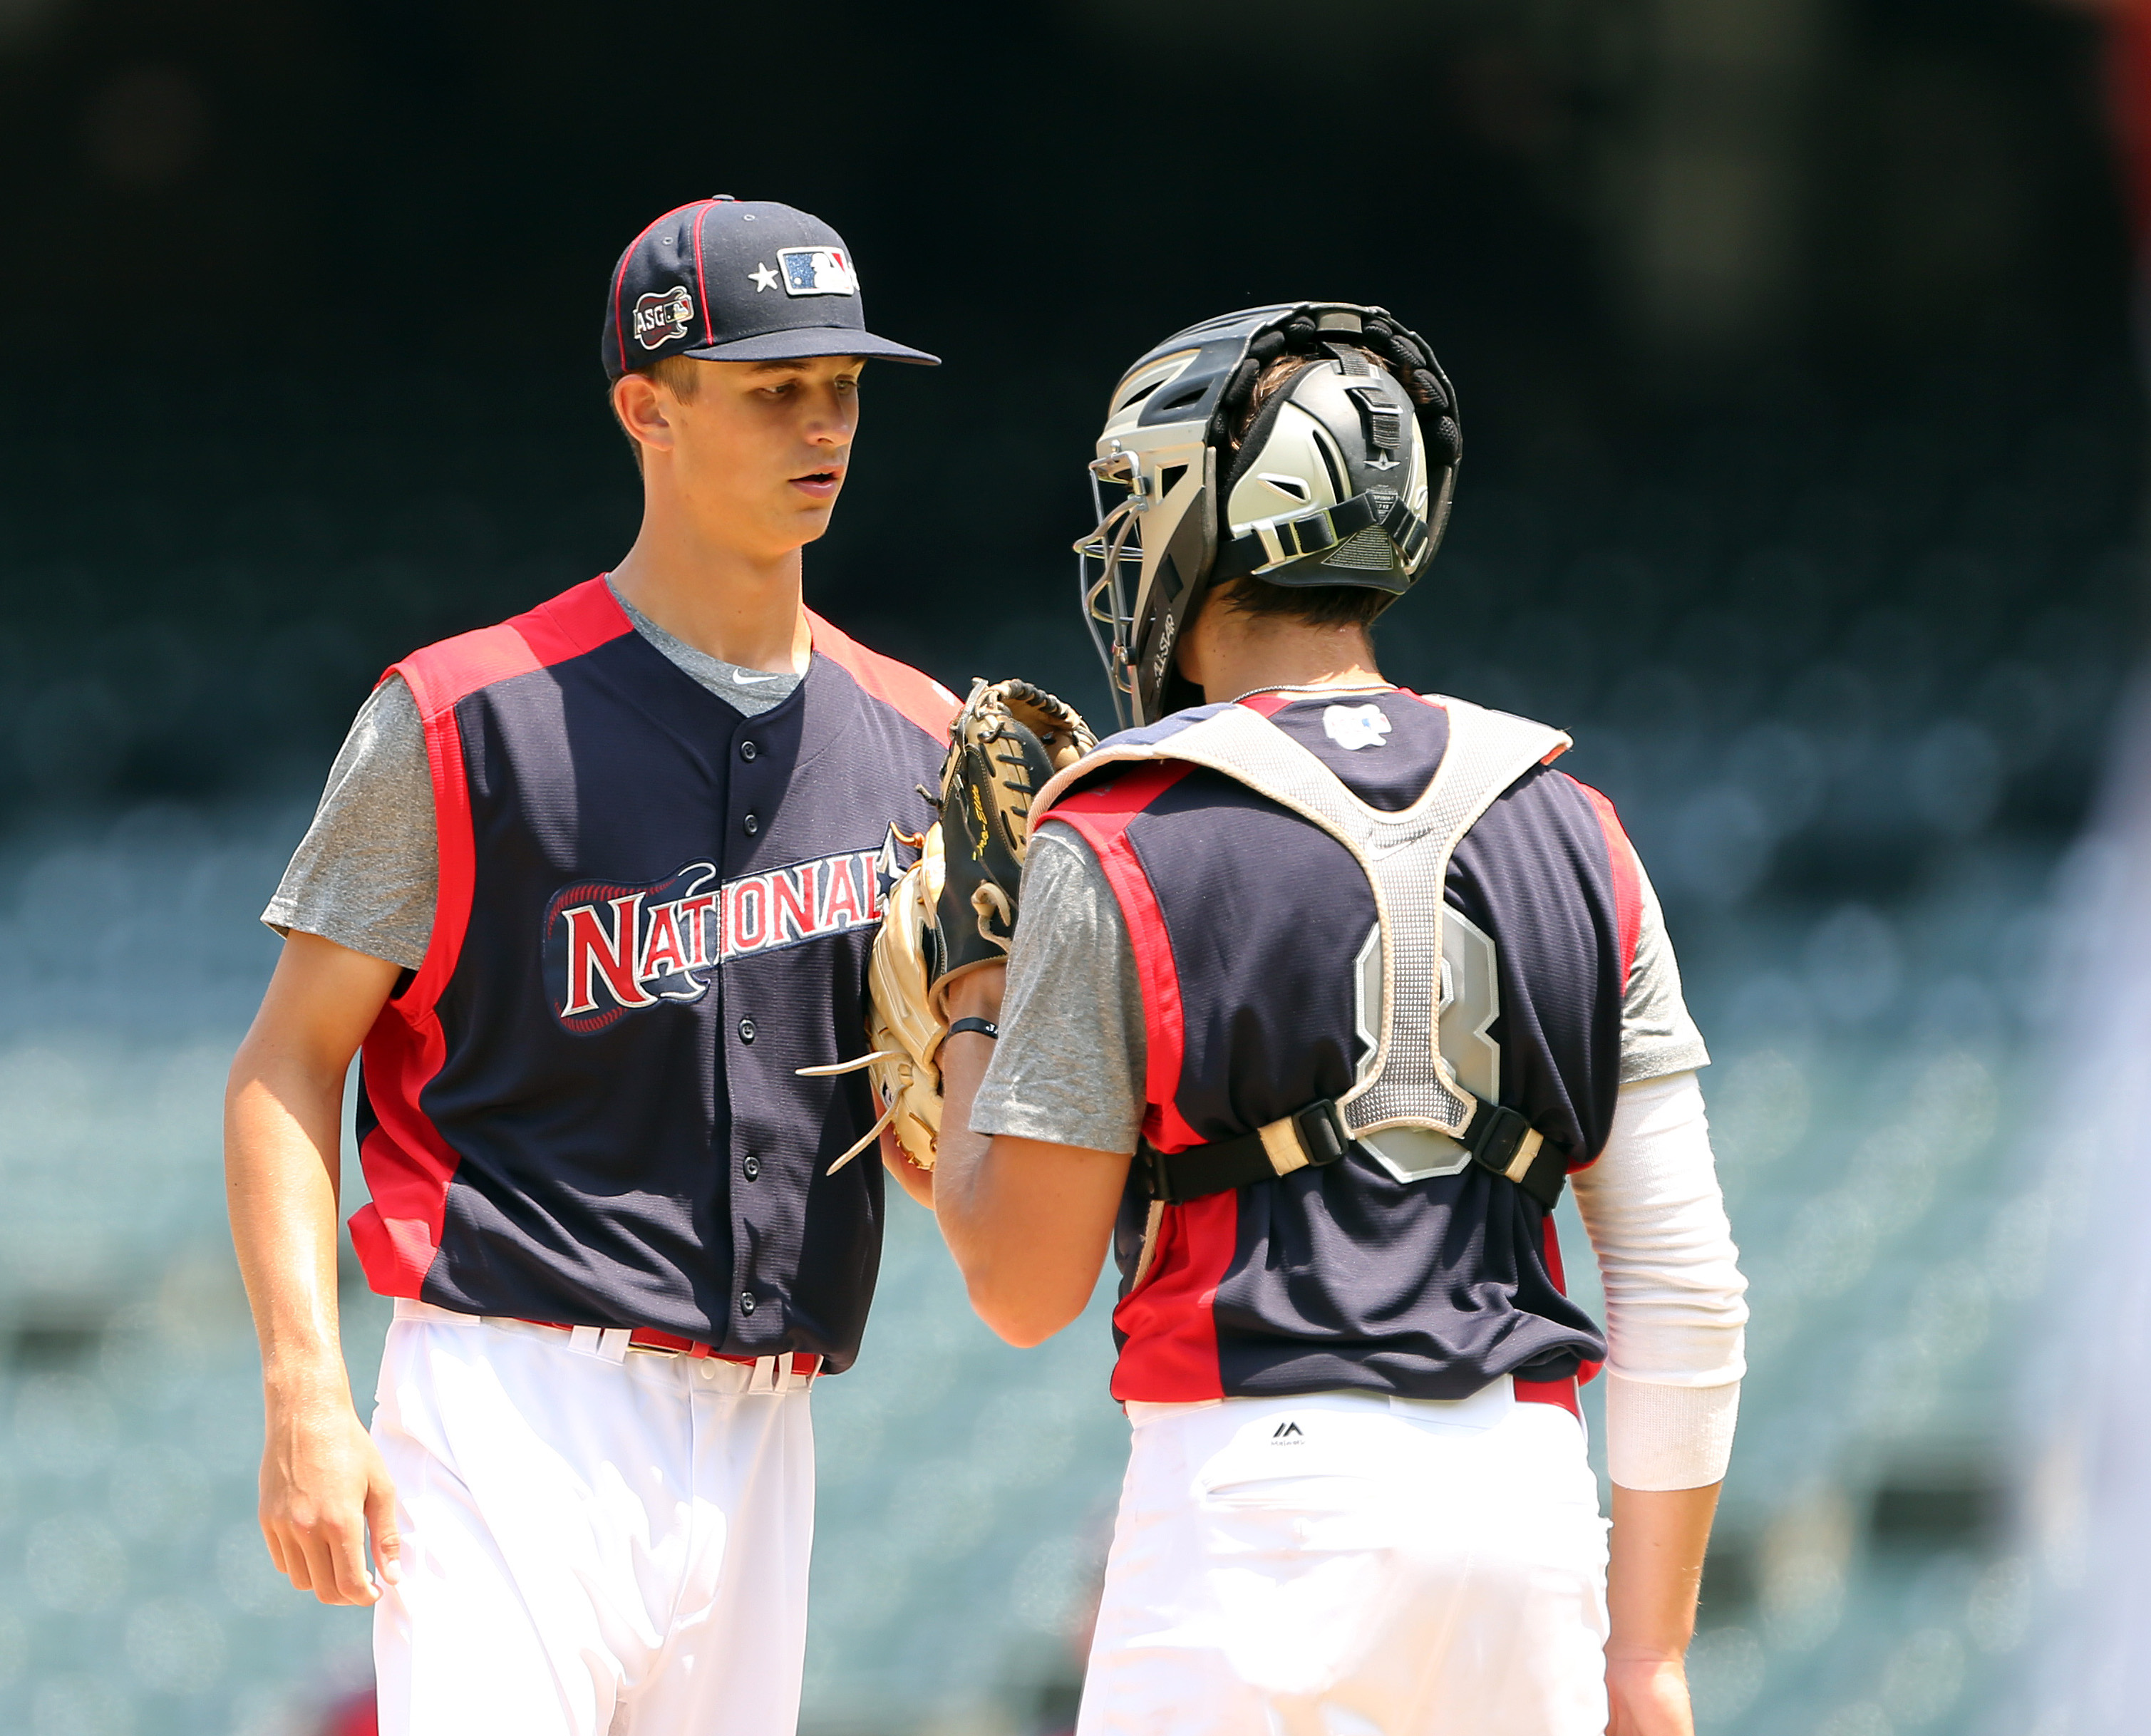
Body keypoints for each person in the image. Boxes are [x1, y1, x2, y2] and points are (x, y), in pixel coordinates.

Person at [928, 304, 1750, 1734]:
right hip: (1526, 1514)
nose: (1121, 545)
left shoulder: (1122, 828)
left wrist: (975, 1003)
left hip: (1264, 1501)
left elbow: (1021, 1283)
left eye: (1135, 500)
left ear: (1210, 512)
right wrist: (1649, 1660)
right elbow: (1685, 1287)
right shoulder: (1577, 825)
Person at [223, 197, 955, 1736]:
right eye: (774, 389)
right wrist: (305, 1392)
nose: (824, 424)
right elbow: (286, 1067)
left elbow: (944, 1135)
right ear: (649, 408)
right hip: (514, 1400)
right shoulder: (464, 716)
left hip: (775, 1419)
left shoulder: (925, 744)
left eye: (846, 387)